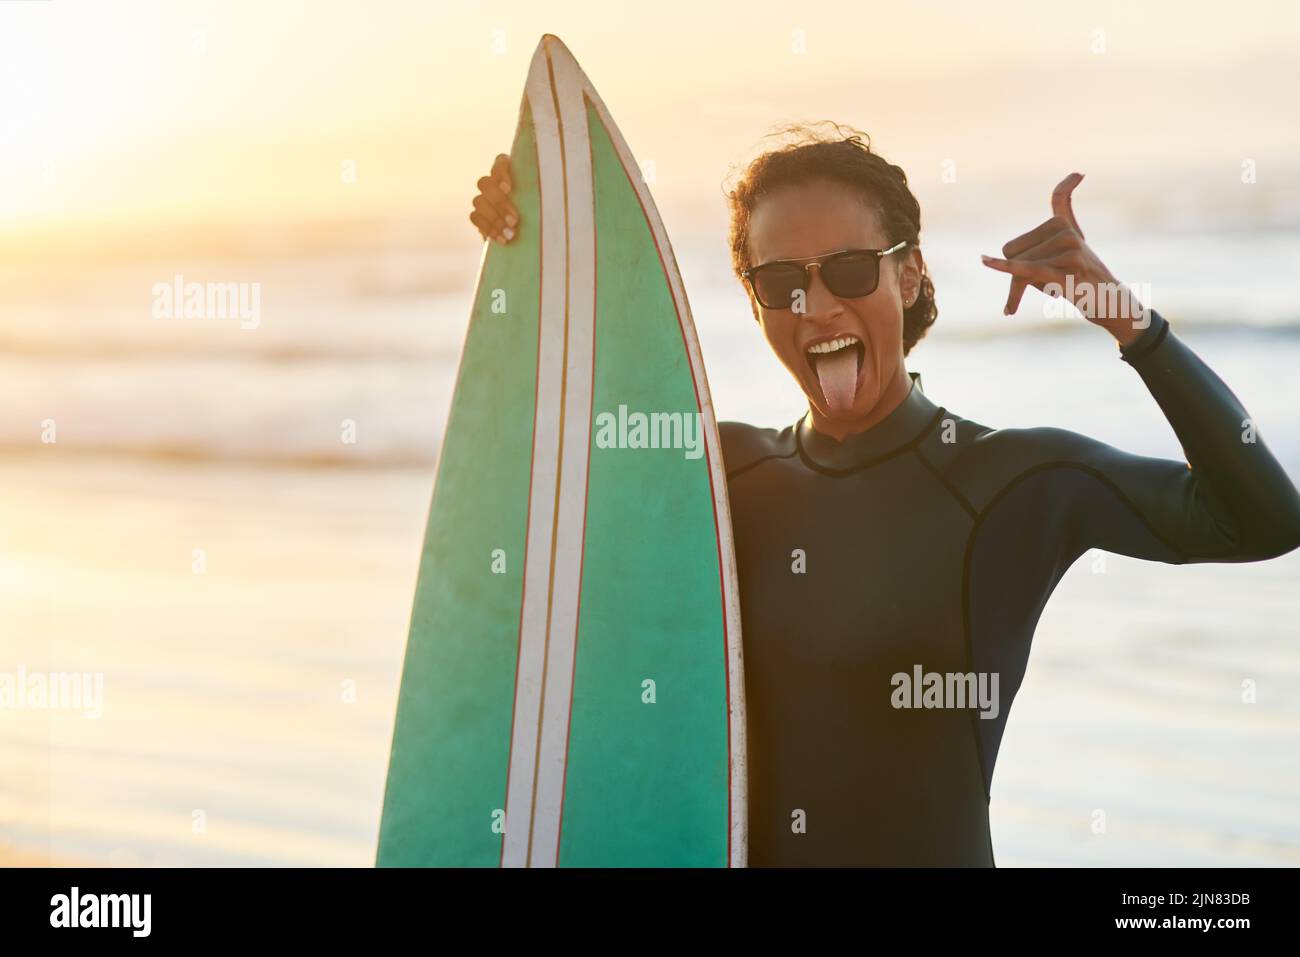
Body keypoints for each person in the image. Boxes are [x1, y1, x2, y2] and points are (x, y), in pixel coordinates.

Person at [466, 125, 1300, 866]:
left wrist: (1126, 320)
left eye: (851, 269)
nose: (818, 303)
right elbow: (527, 511)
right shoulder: (712, 475)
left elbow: (1263, 517)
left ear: (908, 277)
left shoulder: (1013, 482)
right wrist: (522, 255)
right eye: (782, 280)